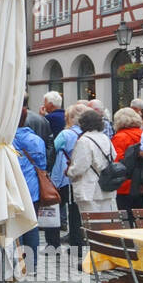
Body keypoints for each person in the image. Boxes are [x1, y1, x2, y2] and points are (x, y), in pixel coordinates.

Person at [13, 107, 47, 274]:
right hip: (32, 187)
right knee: (31, 224)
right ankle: (32, 263)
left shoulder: (7, 140)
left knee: (15, 224)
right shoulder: (36, 139)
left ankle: (18, 263)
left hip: (14, 187)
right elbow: (42, 165)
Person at [68, 108, 117, 221]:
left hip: (89, 187)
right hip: (106, 185)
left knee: (92, 224)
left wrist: (69, 171)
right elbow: (113, 156)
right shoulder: (105, 137)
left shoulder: (84, 140)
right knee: (106, 223)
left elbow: (80, 167)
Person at [52, 101, 88, 246]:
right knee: (76, 211)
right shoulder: (88, 134)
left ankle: (54, 242)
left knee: (57, 207)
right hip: (82, 177)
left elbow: (53, 150)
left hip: (63, 176)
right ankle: (77, 238)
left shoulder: (65, 134)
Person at [110, 106, 143, 225]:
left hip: (125, 185)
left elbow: (116, 161)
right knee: (141, 218)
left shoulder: (119, 137)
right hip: (142, 183)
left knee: (126, 218)